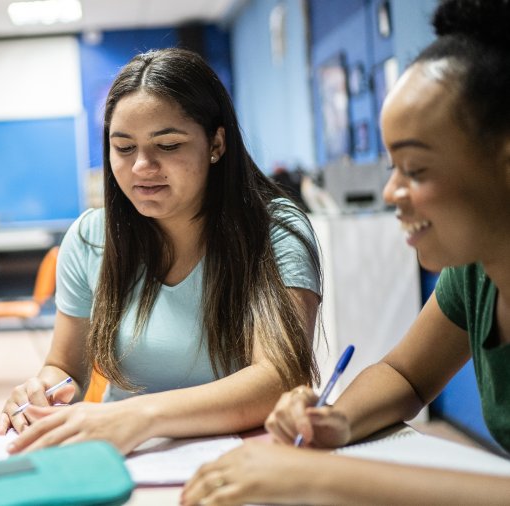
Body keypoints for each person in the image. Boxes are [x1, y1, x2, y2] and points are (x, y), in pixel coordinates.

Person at [182, 0, 510, 504]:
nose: (390, 193)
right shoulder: (477, 274)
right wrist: (337, 421)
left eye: (415, 170)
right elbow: (406, 375)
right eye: (391, 167)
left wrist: (317, 476)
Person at [0, 48, 323, 455]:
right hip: (129, 459)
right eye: (124, 147)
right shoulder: (90, 237)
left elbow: (280, 378)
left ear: (216, 143)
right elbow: (66, 368)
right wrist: (45, 389)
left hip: (245, 459)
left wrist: (140, 416)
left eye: (167, 145)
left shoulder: (274, 231)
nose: (141, 167)